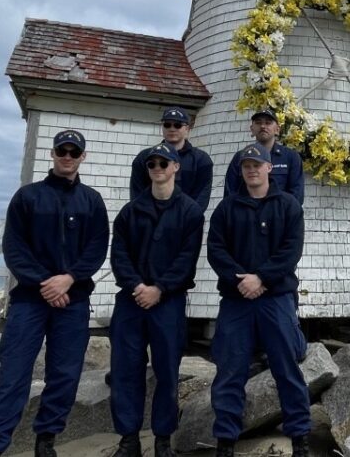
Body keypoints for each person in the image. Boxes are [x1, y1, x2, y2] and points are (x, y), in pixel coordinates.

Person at [0, 130, 109, 457]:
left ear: (83, 157)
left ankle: (46, 440)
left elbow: (96, 248)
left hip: (73, 301)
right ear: (52, 154)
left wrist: (69, 279)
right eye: (62, 151)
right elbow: (15, 248)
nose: (67, 157)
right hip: (29, 302)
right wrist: (46, 284)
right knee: (13, 374)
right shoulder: (27, 197)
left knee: (64, 375)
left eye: (74, 152)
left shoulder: (92, 201)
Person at [206, 143, 310, 457]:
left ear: (268, 168)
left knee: (286, 368)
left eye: (257, 165)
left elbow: (291, 251)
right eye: (246, 166)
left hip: (275, 299)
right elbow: (216, 251)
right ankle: (226, 440)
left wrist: (262, 278)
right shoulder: (226, 209)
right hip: (236, 300)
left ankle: (300, 436)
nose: (251, 170)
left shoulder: (288, 206)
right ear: (241, 171)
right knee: (229, 370)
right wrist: (241, 280)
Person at [107, 142, 205, 457]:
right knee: (125, 371)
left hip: (168, 302)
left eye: (164, 163)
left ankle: (163, 439)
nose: (158, 168)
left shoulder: (190, 212)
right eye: (152, 164)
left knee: (167, 371)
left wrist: (160, 288)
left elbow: (186, 260)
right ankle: (129, 440)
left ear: (176, 167)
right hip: (131, 301)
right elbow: (119, 256)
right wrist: (137, 286)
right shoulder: (130, 211)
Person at [130, 106, 213, 211]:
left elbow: (201, 198)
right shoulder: (144, 157)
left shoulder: (201, 160)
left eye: (177, 125)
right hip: (149, 218)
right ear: (162, 127)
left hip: (187, 219)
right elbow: (137, 194)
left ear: (187, 129)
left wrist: (188, 217)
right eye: (167, 124)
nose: (172, 129)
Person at [223, 108, 304, 204]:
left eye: (268, 123)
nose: (262, 126)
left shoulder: (291, 157)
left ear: (277, 130)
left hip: (280, 212)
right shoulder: (240, 157)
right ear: (252, 129)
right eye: (258, 123)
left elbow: (297, 195)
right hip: (246, 211)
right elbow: (230, 194)